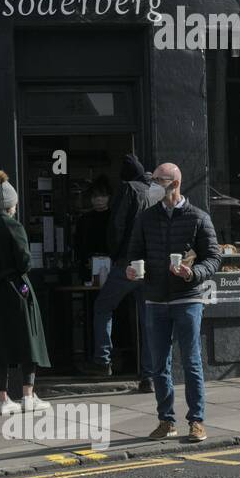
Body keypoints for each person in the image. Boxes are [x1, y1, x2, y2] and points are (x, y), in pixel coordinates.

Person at [126, 162, 222, 443]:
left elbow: (214, 258)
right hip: (155, 299)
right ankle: (166, 421)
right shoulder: (146, 218)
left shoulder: (198, 217)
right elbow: (134, 252)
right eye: (152, 179)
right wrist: (131, 270)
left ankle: (197, 421)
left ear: (174, 183)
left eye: (158, 180)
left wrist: (194, 273)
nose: (152, 184)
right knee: (158, 365)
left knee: (191, 363)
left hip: (187, 299)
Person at [0, 170, 51, 416]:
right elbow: (25, 262)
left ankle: (1, 399)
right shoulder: (13, 226)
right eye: (14, 204)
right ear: (9, 204)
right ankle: (28, 395)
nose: (16, 208)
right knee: (29, 341)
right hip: (16, 292)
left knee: (0, 344)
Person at [87, 155, 167, 386]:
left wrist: (115, 254)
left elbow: (117, 226)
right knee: (147, 320)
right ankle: (149, 376)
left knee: (103, 305)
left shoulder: (129, 189)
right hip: (151, 265)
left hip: (128, 263)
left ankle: (102, 359)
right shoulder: (156, 190)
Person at [73, 175, 112, 279]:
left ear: (109, 197)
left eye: (102, 196)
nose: (99, 199)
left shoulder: (115, 218)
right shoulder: (84, 219)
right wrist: (84, 260)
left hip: (111, 264)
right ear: (90, 198)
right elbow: (78, 243)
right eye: (95, 196)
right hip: (88, 264)